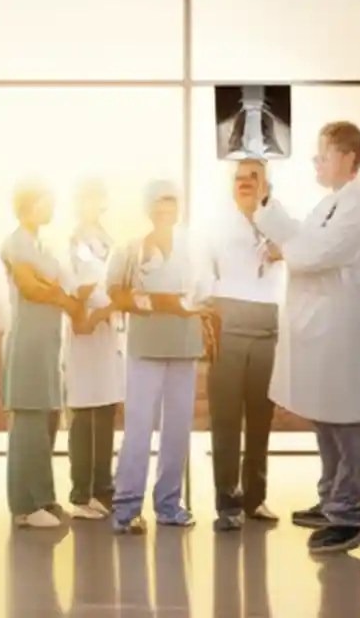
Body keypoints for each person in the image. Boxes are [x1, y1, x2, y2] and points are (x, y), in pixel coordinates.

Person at [255, 121, 360, 554]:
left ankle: (347, 514)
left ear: (348, 157)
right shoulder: (332, 201)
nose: (316, 162)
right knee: (325, 416)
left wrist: (283, 250)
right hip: (318, 325)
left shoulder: (359, 201)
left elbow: (322, 252)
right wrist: (267, 204)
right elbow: (303, 238)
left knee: (344, 418)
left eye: (323, 155)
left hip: (337, 324)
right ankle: (330, 499)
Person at [107, 179, 210, 534]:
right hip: (145, 348)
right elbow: (115, 293)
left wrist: (168, 302)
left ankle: (169, 505)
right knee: (138, 428)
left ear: (178, 208)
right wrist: (161, 302)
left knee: (177, 429)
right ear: (148, 209)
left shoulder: (194, 249)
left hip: (185, 347)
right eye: (159, 203)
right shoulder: (129, 249)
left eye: (171, 203)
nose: (165, 210)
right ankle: (126, 509)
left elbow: (202, 294)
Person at [202, 159, 286, 532]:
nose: (245, 183)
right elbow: (202, 272)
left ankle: (255, 498)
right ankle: (227, 502)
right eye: (238, 178)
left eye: (253, 177)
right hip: (228, 321)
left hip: (267, 321)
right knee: (225, 417)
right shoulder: (216, 223)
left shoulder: (279, 220)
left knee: (260, 416)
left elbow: (299, 250)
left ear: (266, 183)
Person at [0, 179, 82, 528]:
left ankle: (44, 498)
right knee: (29, 422)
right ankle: (25, 505)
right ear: (27, 206)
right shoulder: (15, 243)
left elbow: (55, 284)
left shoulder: (43, 246)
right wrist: (60, 294)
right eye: (45, 203)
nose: (50, 209)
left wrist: (56, 289)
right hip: (28, 343)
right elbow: (30, 288)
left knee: (47, 418)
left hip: (48, 343)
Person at [62, 178, 126, 520]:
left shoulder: (106, 239)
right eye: (86, 198)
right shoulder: (76, 241)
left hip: (107, 335)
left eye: (97, 198)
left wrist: (110, 307)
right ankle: (82, 494)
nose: (92, 204)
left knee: (104, 410)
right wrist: (93, 312)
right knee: (84, 413)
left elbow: (109, 281)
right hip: (85, 333)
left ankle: (103, 489)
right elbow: (82, 286)